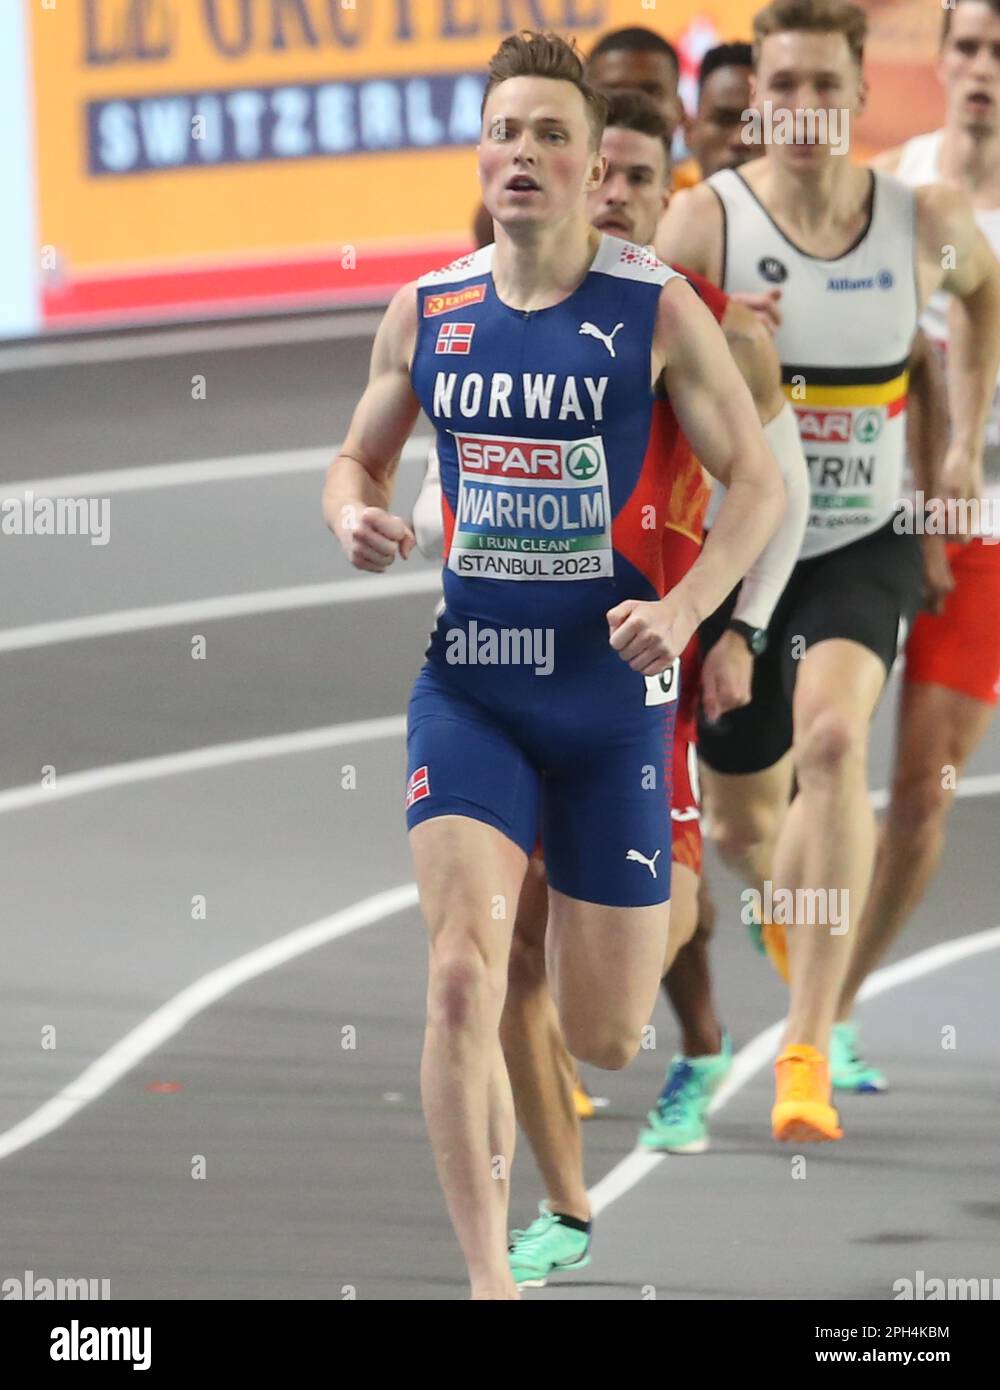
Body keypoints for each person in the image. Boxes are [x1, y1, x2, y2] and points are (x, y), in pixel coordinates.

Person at [324, 30, 784, 1299]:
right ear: (481, 158)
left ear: (593, 172)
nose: (523, 153)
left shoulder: (656, 309)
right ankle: (487, 1279)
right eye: (505, 132)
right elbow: (354, 458)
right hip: (470, 684)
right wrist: (350, 510)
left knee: (607, 1033)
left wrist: (689, 608)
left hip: (613, 704)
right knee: (464, 973)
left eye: (551, 137)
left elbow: (753, 483)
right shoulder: (428, 309)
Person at [655, 0, 1000, 1143]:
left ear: (861, 95)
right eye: (784, 86)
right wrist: (709, 323)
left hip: (864, 538)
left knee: (841, 743)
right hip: (746, 556)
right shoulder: (705, 223)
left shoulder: (921, 219)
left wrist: (955, 444)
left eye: (824, 86)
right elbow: (634, 362)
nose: (804, 109)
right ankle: (793, 923)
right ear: (759, 100)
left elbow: (982, 296)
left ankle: (802, 1045)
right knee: (748, 824)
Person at [497, 87, 808, 1288]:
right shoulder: (512, 296)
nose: (615, 193)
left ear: (672, 188)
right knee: (505, 936)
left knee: (668, 899)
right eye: (604, 171)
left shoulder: (715, 333)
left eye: (638, 176)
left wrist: (735, 633)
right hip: (529, 657)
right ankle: (556, 1210)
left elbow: (774, 501)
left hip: (667, 655)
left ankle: (696, 1034)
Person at [830, 0, 1000, 1074]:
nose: (983, 67)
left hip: (987, 529)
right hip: (869, 511)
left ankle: (828, 1010)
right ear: (939, 59)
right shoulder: (895, 189)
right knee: (816, 754)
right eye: (970, 47)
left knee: (922, 785)